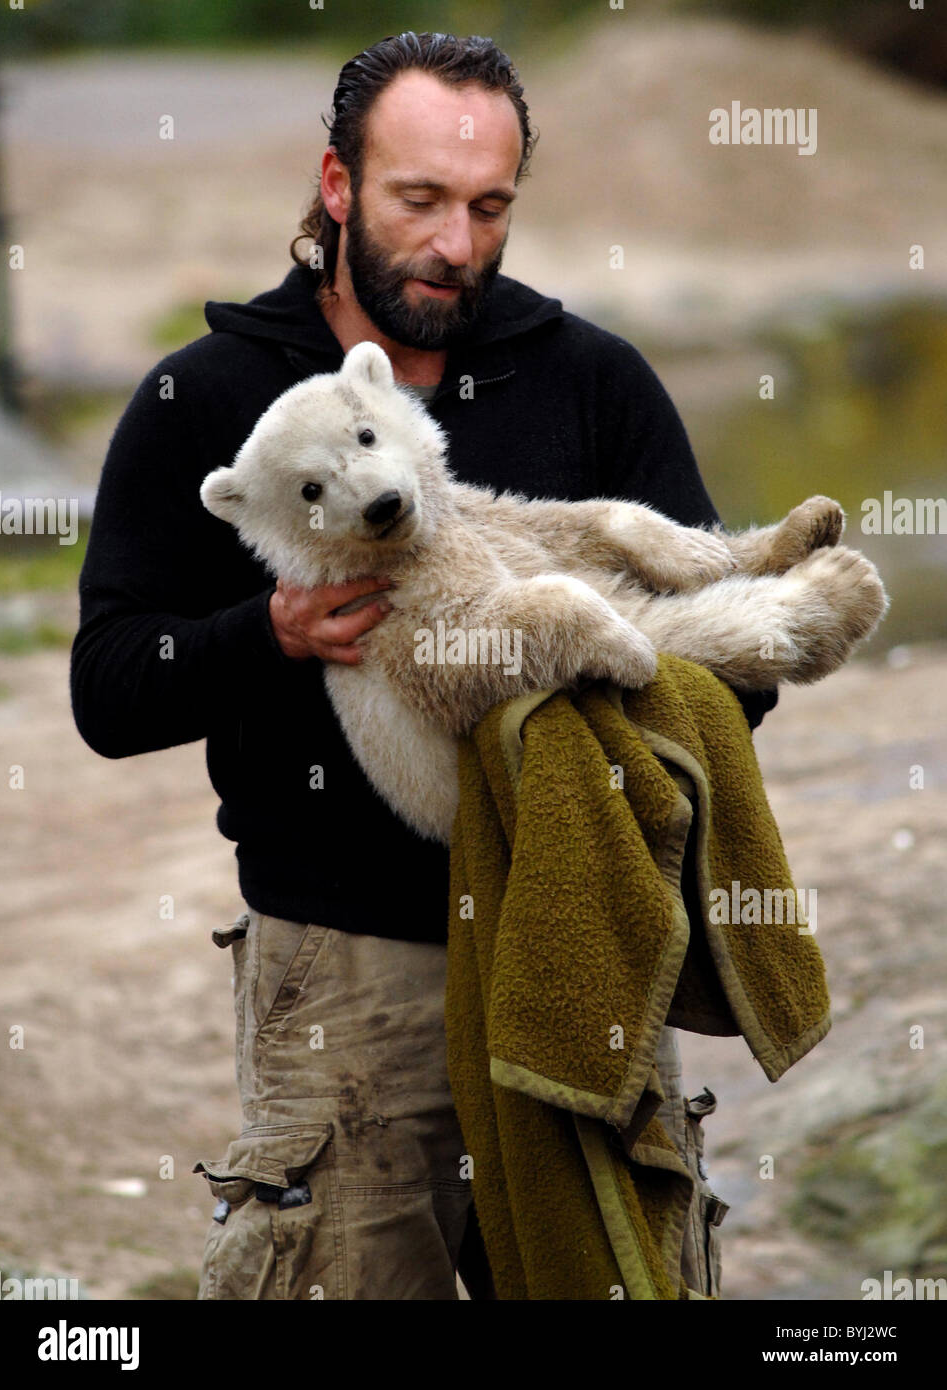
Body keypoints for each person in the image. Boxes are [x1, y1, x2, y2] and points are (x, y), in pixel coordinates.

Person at [70, 30, 775, 1300]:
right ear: (336, 187)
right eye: (420, 202)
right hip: (342, 975)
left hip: (585, 939)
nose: (457, 243)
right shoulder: (208, 394)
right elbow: (109, 690)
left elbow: (737, 661)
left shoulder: (592, 381)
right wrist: (267, 634)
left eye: (489, 206)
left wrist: (556, 694)